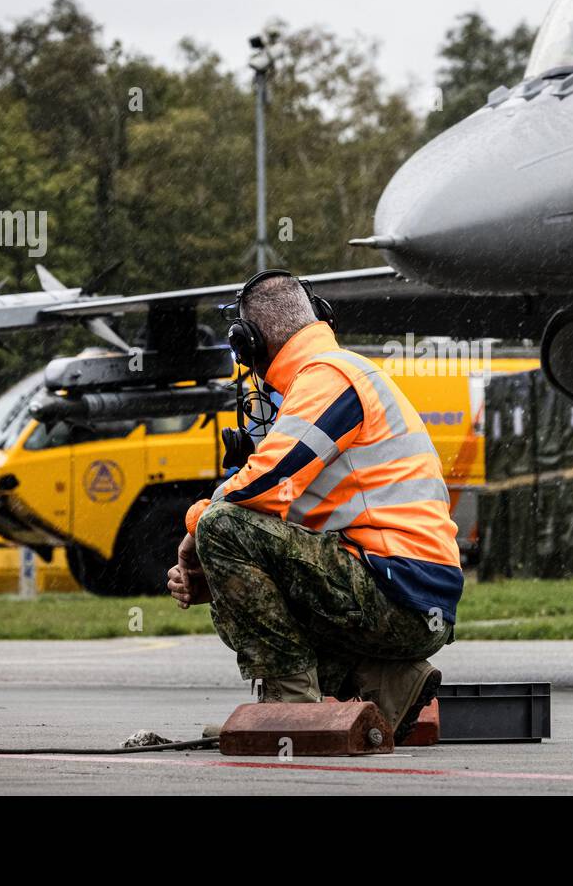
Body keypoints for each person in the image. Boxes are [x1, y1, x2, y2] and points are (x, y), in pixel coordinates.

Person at [167, 271, 463, 742]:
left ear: (249, 343)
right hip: (406, 593)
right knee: (227, 535)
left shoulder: (330, 377)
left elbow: (266, 483)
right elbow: (282, 532)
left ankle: (290, 710)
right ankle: (389, 681)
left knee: (221, 525)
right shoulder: (338, 375)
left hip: (397, 589)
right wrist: (225, 581)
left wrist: (196, 528)